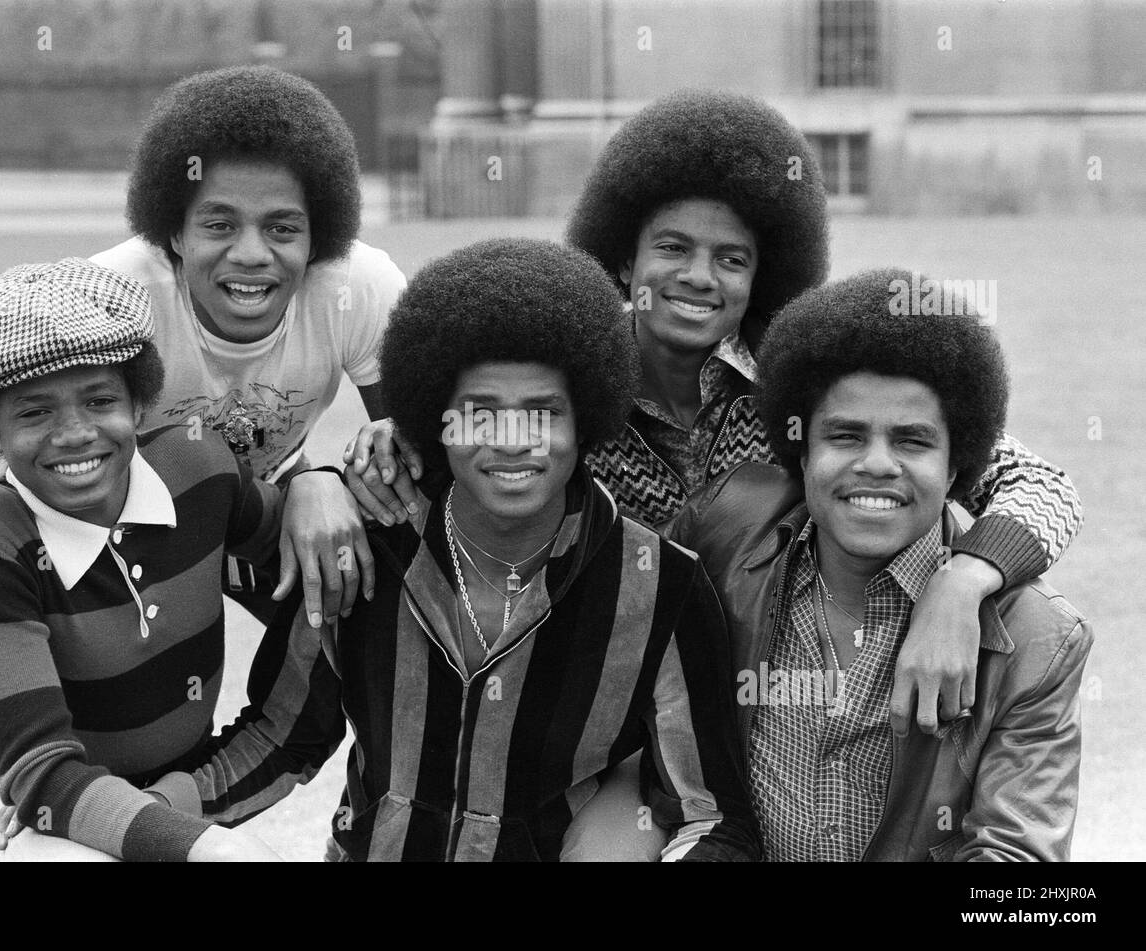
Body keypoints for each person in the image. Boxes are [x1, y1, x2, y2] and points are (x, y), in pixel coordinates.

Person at [340, 90, 1084, 735]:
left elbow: (1042, 484)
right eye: (674, 248)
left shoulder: (806, 387)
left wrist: (966, 582)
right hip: (608, 722)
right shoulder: (562, 392)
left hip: (778, 718)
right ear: (625, 260)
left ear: (762, 275)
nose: (699, 277)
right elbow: (458, 456)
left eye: (732, 258)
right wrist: (350, 460)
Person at [146, 239, 761, 861]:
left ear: (588, 421)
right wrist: (141, 812)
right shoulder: (366, 550)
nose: (513, 441)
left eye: (543, 413)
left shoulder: (660, 587)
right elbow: (281, 740)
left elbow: (711, 815)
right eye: (479, 413)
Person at [662, 268, 1092, 860]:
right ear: (800, 450)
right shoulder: (724, 528)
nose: (877, 464)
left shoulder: (1037, 641)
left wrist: (960, 585)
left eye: (912, 442)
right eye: (845, 436)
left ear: (956, 467)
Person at [0, 258, 311, 861]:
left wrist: (323, 484)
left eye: (99, 399)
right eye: (34, 412)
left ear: (139, 406)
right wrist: (204, 848)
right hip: (32, 806)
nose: (75, 432)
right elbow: (38, 771)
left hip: (169, 784)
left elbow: (311, 563)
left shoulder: (198, 466)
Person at [93, 65, 407, 627]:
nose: (251, 254)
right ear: (171, 232)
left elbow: (409, 453)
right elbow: (58, 464)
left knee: (366, 593)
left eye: (282, 229)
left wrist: (323, 480)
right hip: (133, 513)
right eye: (218, 225)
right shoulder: (113, 300)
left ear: (319, 238)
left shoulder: (356, 287)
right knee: (135, 691)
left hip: (272, 496)